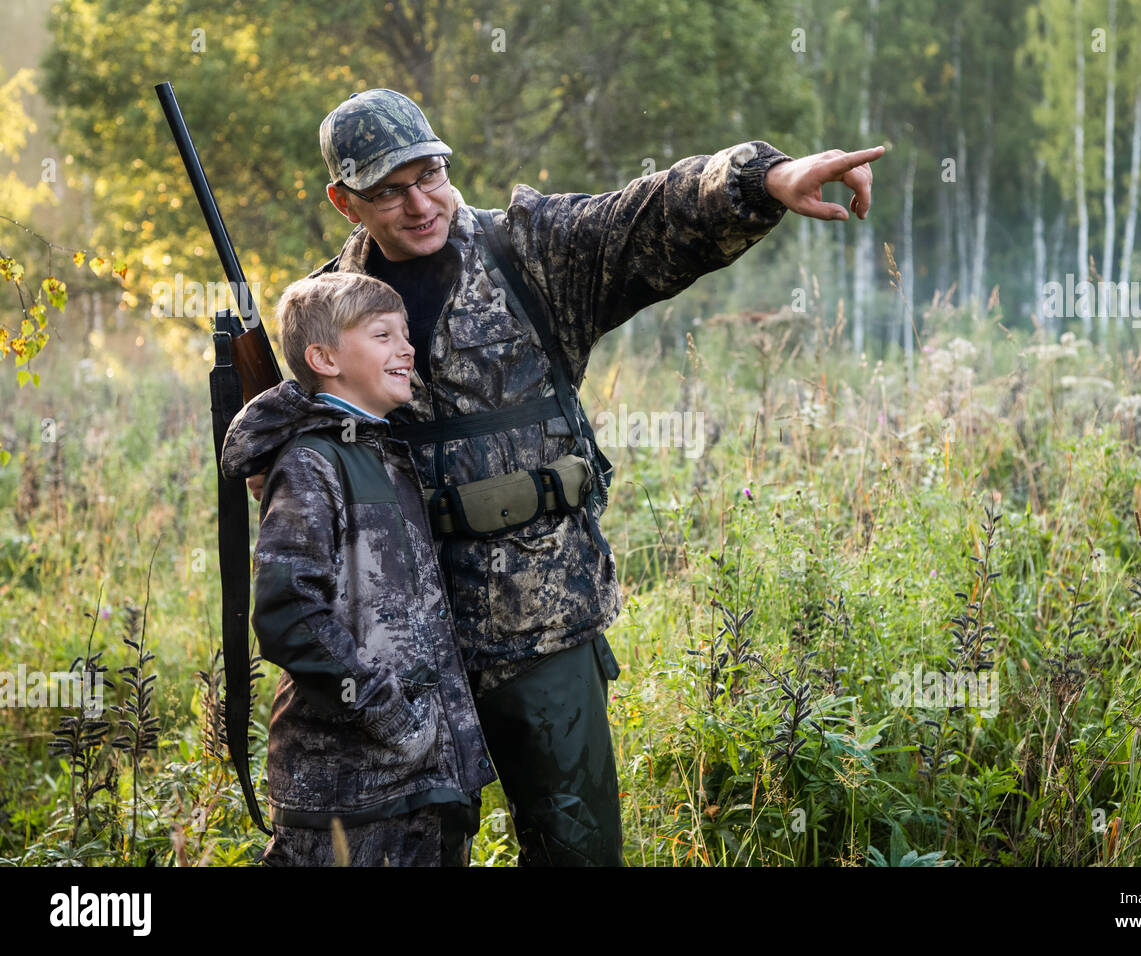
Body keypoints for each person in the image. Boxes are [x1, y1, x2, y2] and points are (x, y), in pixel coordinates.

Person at [264, 88, 883, 866]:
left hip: (541, 626)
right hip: (398, 647)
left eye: (431, 174)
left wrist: (762, 181)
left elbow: (645, 215)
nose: (421, 203)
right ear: (345, 202)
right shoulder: (330, 311)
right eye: (389, 191)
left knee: (577, 851)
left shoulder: (530, 252)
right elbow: (300, 455)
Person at [222, 271, 496, 866]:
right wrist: (389, 711)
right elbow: (288, 612)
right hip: (350, 792)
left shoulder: (383, 452)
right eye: (382, 336)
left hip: (418, 783)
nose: (407, 349)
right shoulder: (313, 463)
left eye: (405, 334)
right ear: (324, 358)